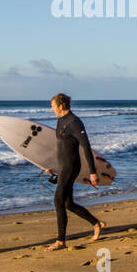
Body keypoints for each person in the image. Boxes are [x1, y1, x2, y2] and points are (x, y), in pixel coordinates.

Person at [43, 93, 106, 251]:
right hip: (63, 166)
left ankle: (60, 241)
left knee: (58, 201)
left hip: (72, 166)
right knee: (67, 203)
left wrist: (92, 172)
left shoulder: (74, 122)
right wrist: (54, 167)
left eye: (53, 106)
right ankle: (96, 223)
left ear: (61, 105)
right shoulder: (60, 122)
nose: (52, 109)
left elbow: (86, 147)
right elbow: (61, 148)